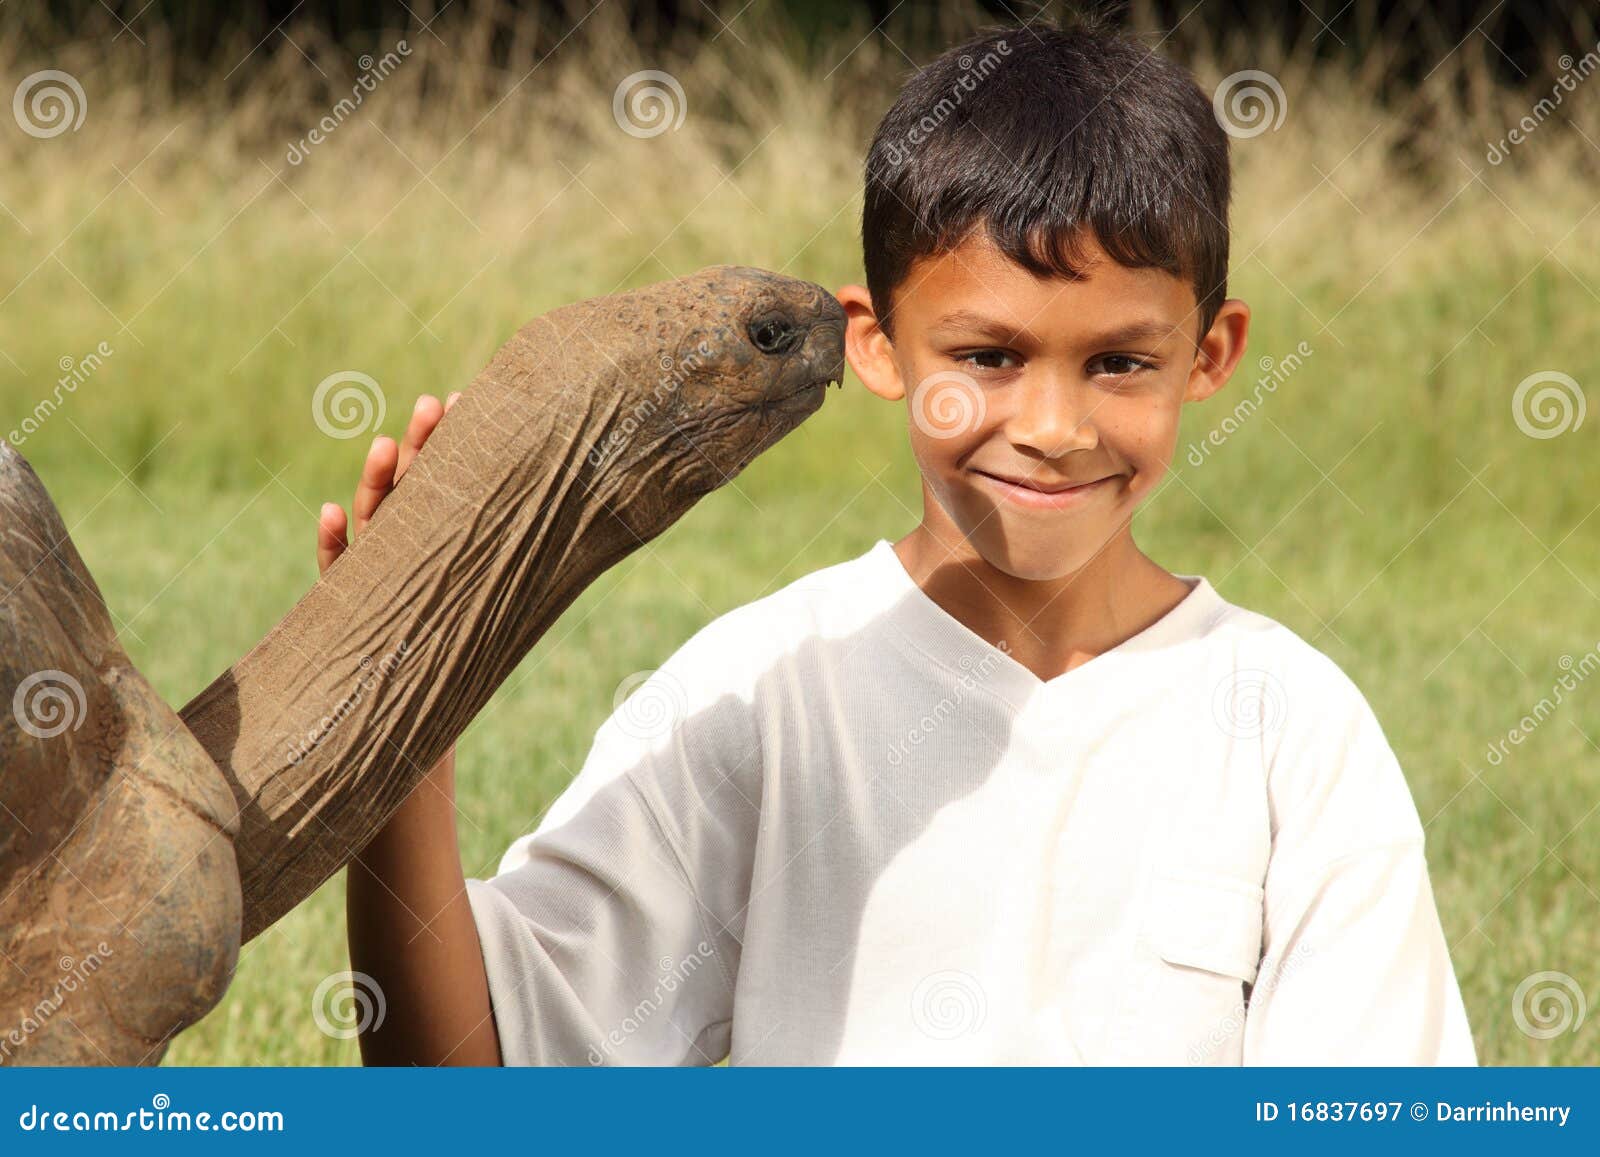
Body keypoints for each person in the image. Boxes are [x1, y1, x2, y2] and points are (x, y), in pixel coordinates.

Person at [316, 17, 1476, 1066]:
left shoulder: (1289, 727)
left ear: (1211, 355)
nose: (1054, 428)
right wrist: (408, 721)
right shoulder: (767, 694)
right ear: (875, 345)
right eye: (987, 358)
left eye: (1118, 362)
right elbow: (468, 1080)